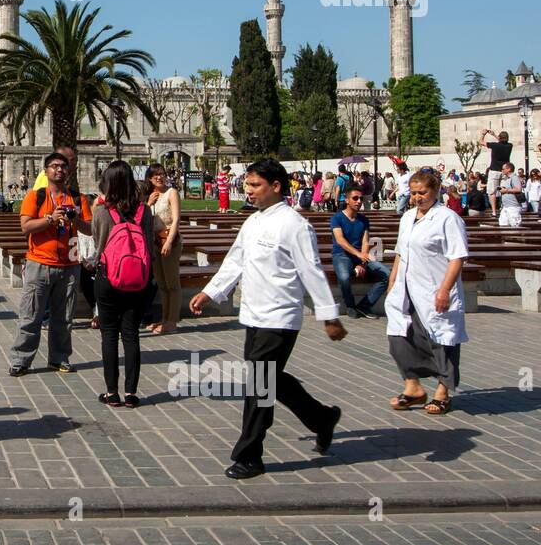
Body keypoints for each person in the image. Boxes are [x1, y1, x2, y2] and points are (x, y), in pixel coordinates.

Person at [190, 158, 346, 480]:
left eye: (255, 185)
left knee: (258, 385)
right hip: (254, 315)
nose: (248, 191)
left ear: (276, 187)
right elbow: (235, 262)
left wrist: (328, 316)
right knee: (270, 379)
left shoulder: (294, 225)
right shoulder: (252, 222)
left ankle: (249, 456)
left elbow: (311, 272)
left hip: (280, 317)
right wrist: (210, 293)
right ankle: (321, 418)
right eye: (247, 185)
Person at [384, 168, 468, 415]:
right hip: (408, 288)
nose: (418, 197)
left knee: (442, 340)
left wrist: (444, 289)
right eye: (413, 193)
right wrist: (393, 279)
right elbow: (401, 251)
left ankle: (443, 390)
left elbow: (457, 257)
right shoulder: (408, 217)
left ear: (436, 190)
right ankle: (413, 387)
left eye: (423, 192)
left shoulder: (447, 218)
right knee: (399, 337)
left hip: (435, 288)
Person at [8, 151, 91, 376]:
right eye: (54, 166)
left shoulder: (78, 198)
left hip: (69, 266)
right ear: (46, 171)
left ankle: (59, 357)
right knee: (30, 315)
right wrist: (49, 219)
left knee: (64, 317)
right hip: (39, 263)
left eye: (63, 167)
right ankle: (20, 360)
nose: (59, 170)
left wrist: (76, 219)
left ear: (69, 170)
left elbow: (90, 229)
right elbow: (25, 227)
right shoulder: (36, 196)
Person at [90, 160, 158, 408]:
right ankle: (131, 393)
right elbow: (149, 247)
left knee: (109, 335)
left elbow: (98, 245)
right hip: (137, 279)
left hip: (108, 277)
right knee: (131, 335)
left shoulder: (101, 211)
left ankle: (111, 392)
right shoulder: (144, 212)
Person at [329, 183, 390, 318]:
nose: (359, 202)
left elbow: (365, 241)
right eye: (355, 198)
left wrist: (361, 262)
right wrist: (359, 255)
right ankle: (350, 306)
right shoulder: (337, 218)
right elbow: (340, 240)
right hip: (341, 255)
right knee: (344, 277)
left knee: (386, 275)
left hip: (361, 256)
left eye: (361, 199)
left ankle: (364, 306)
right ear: (347, 200)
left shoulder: (363, 220)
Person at [144, 163, 182, 334]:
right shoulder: (151, 196)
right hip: (154, 241)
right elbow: (143, 218)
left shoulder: (171, 193)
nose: (159, 177)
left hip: (169, 239)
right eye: (155, 175)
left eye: (161, 174)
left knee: (172, 282)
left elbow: (175, 219)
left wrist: (169, 241)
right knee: (161, 282)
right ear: (150, 178)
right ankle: (164, 318)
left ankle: (172, 321)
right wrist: (147, 203)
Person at [478, 128, 512, 217]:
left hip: (494, 170)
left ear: (500, 138)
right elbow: (502, 142)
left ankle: (494, 212)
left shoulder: (495, 145)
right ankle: (503, 208)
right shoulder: (509, 146)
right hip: (504, 171)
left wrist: (483, 134)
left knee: (492, 192)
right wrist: (494, 135)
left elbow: (481, 142)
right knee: (504, 191)